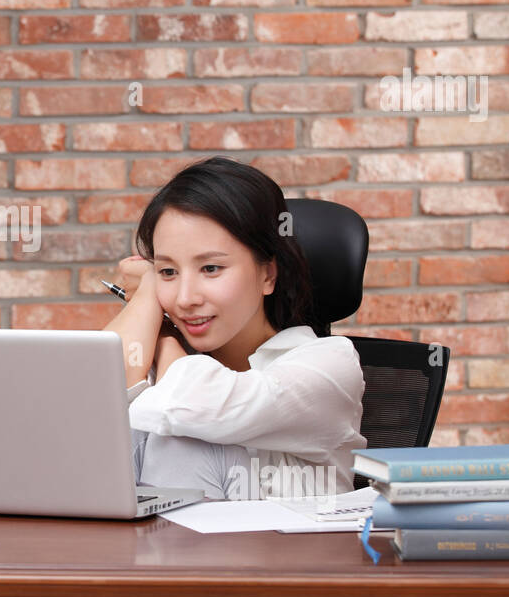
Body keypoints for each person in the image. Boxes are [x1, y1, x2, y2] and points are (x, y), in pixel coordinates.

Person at [102, 156, 365, 500]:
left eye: (210, 268)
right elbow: (93, 406)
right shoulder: (169, 364)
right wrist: (150, 290)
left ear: (268, 274)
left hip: (289, 551)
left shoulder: (329, 365)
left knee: (182, 438)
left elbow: (191, 407)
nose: (185, 299)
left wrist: (164, 334)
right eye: (169, 272)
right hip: (162, 550)